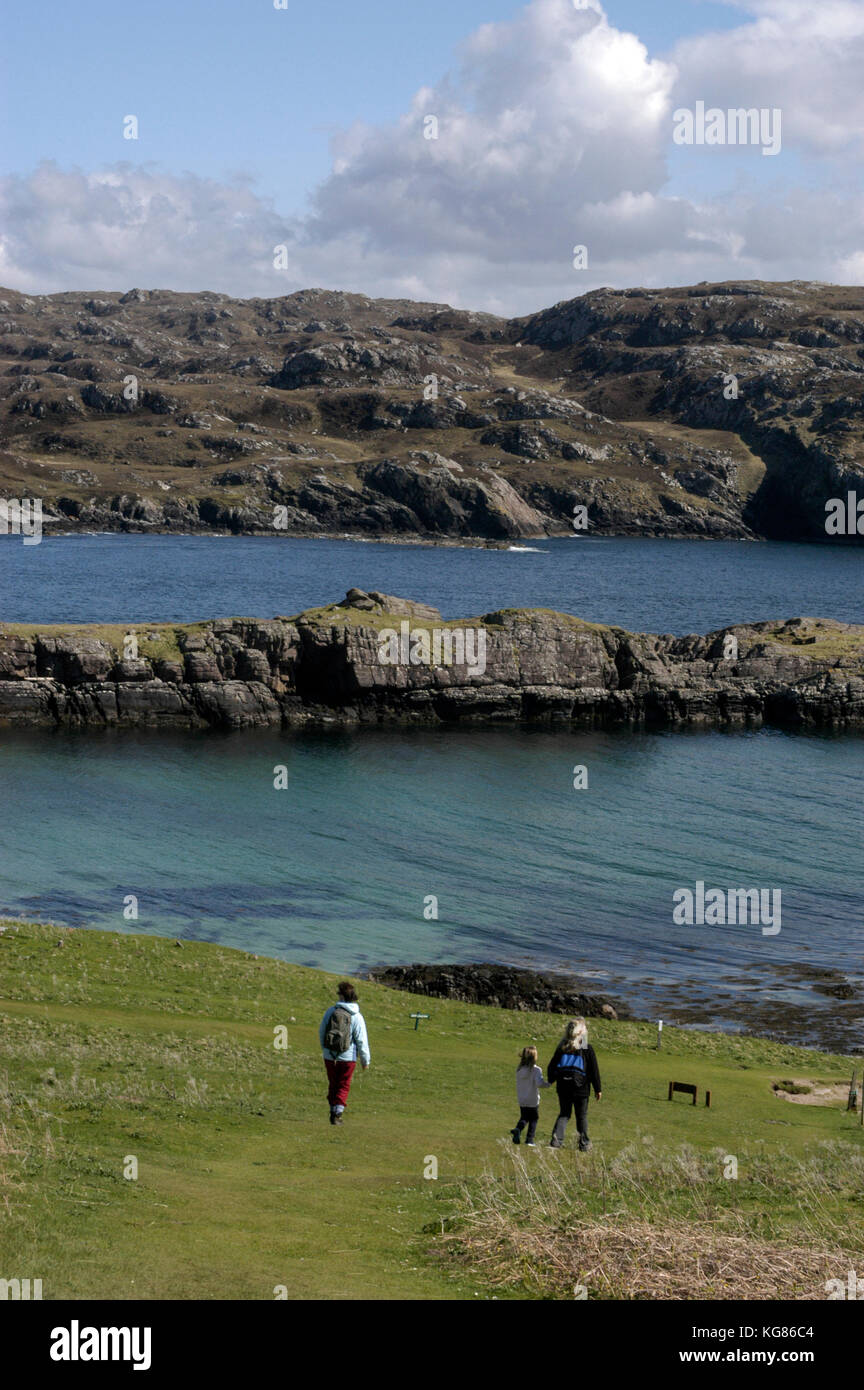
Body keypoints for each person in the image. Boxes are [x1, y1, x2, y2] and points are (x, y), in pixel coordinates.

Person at [319, 981, 370, 1125]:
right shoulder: (357, 1016)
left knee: (333, 1084)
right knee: (344, 1085)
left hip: (329, 1056)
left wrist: (325, 1049)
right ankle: (337, 1113)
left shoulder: (330, 1011)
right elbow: (361, 1041)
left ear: (341, 995)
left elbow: (322, 1031)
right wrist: (365, 1061)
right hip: (348, 1058)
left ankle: (332, 1110)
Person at [546, 1017, 601, 1151]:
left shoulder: (562, 1047)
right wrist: (597, 1089)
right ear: (581, 1032)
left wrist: (551, 1080)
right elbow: (594, 1070)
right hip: (581, 1088)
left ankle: (556, 1142)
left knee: (564, 1113)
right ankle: (584, 1144)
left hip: (563, 1086)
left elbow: (551, 1066)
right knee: (581, 1116)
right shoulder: (586, 1047)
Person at [510, 1044, 551, 1146]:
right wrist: (548, 1084)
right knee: (534, 1118)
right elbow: (539, 1083)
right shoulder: (536, 1070)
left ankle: (518, 1129)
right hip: (532, 1098)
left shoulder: (519, 1070)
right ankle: (529, 1139)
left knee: (524, 1117)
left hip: (522, 1098)